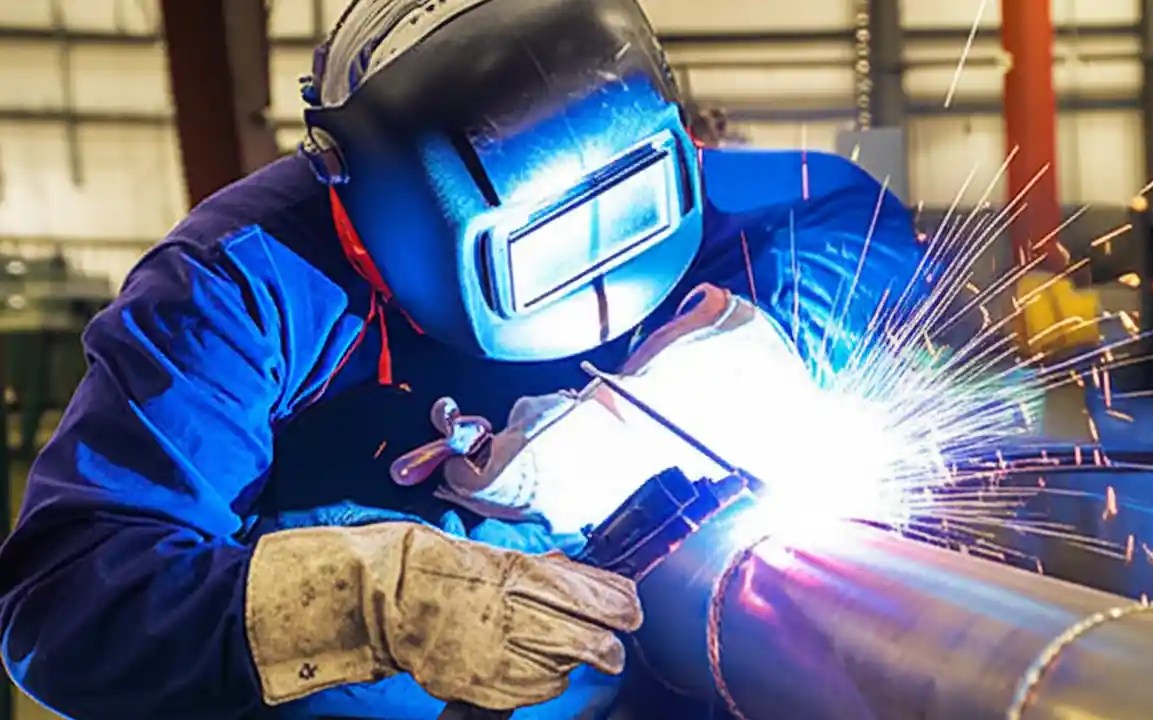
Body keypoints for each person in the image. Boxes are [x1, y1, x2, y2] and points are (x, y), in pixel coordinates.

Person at [0, 0, 922, 718]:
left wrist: (756, 352)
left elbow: (848, 218)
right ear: (392, 218)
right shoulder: (236, 290)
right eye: (543, 255)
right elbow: (67, 603)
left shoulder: (667, 178)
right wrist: (368, 600)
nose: (596, 285)